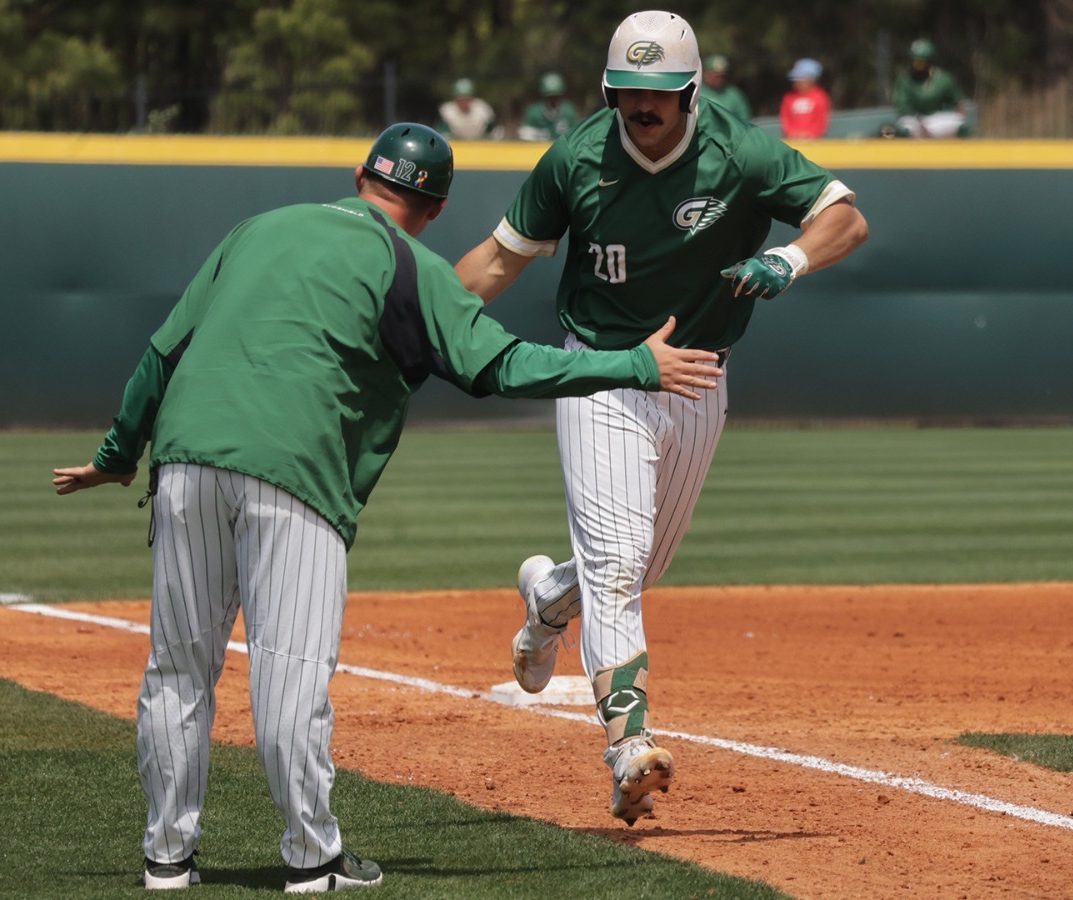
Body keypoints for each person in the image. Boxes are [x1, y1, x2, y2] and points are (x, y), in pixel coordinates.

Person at [52, 122, 724, 892]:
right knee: (290, 674)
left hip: (182, 462)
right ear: (435, 208)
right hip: (295, 472)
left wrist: (115, 457)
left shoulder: (257, 228)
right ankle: (313, 859)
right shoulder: (412, 262)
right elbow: (501, 364)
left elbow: (162, 351)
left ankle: (167, 859)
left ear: (359, 175)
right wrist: (634, 362)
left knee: (177, 667)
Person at [453, 10, 868, 827]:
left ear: (691, 91)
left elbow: (844, 216)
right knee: (616, 564)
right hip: (600, 369)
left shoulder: (740, 151)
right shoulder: (577, 157)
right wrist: (414, 317)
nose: (643, 109)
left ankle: (546, 601)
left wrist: (789, 256)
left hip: (697, 376)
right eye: (628, 93)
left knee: (638, 566)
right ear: (609, 89)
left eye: (660, 95)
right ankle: (627, 743)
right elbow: (499, 260)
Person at [891, 39, 970, 138]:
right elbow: (903, 106)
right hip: (914, 120)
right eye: (914, 61)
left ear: (929, 62)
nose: (916, 65)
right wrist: (919, 122)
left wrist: (960, 117)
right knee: (905, 129)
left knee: (960, 126)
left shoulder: (944, 78)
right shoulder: (905, 79)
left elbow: (958, 103)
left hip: (936, 119)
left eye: (920, 62)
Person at [518, 72, 581, 141]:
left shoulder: (569, 111)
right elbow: (525, 134)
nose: (553, 100)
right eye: (550, 96)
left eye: (556, 96)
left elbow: (577, 134)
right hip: (538, 149)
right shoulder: (534, 111)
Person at [780, 57, 831, 139]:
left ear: (811, 79)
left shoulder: (820, 97)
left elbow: (821, 121)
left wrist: (810, 134)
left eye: (800, 78)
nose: (796, 82)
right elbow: (785, 119)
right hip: (792, 140)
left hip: (814, 142)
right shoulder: (789, 97)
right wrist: (791, 133)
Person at [699, 54, 751, 122]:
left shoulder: (734, 95)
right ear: (706, 74)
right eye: (716, 75)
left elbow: (744, 119)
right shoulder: (697, 93)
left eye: (722, 76)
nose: (719, 79)